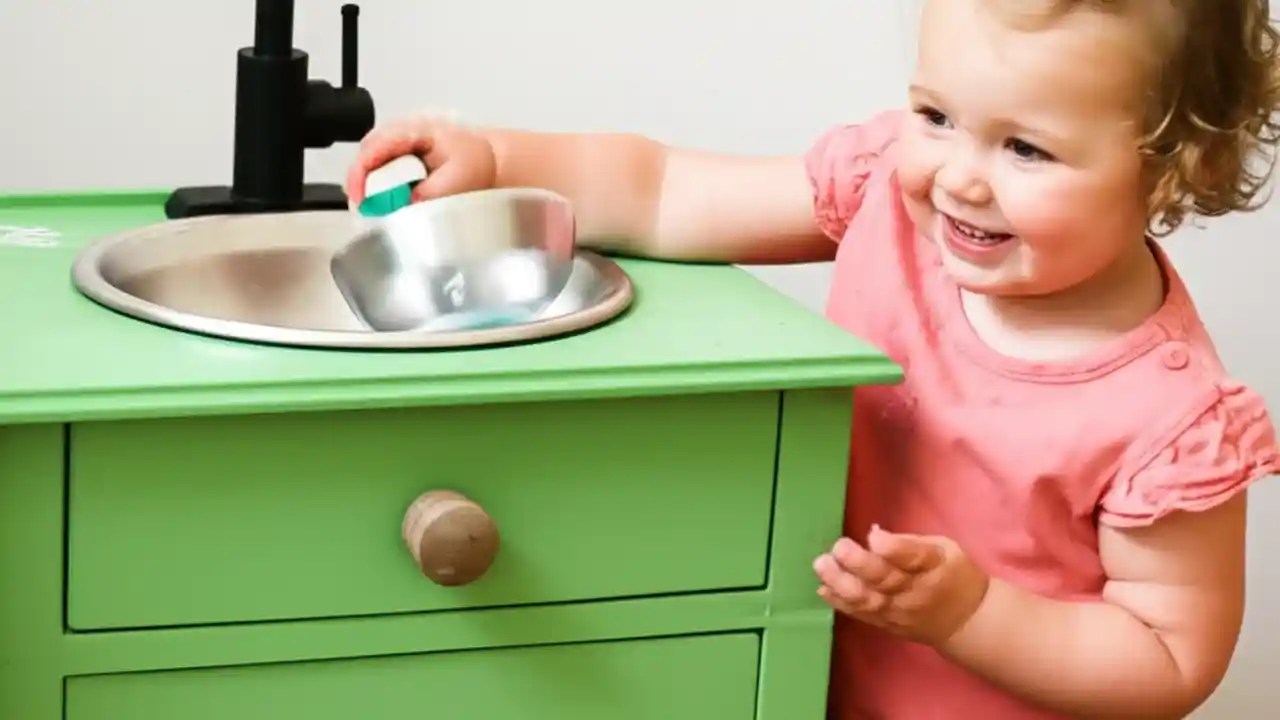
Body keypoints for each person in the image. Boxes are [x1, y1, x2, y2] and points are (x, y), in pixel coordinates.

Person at [344, 1, 1280, 716]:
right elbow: (665, 192)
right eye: (936, 115)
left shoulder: (1169, 419)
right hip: (796, 683)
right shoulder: (887, 203)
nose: (958, 176)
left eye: (1026, 149)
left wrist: (972, 613)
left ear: (1177, 168)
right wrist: (498, 159)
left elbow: (1168, 660)